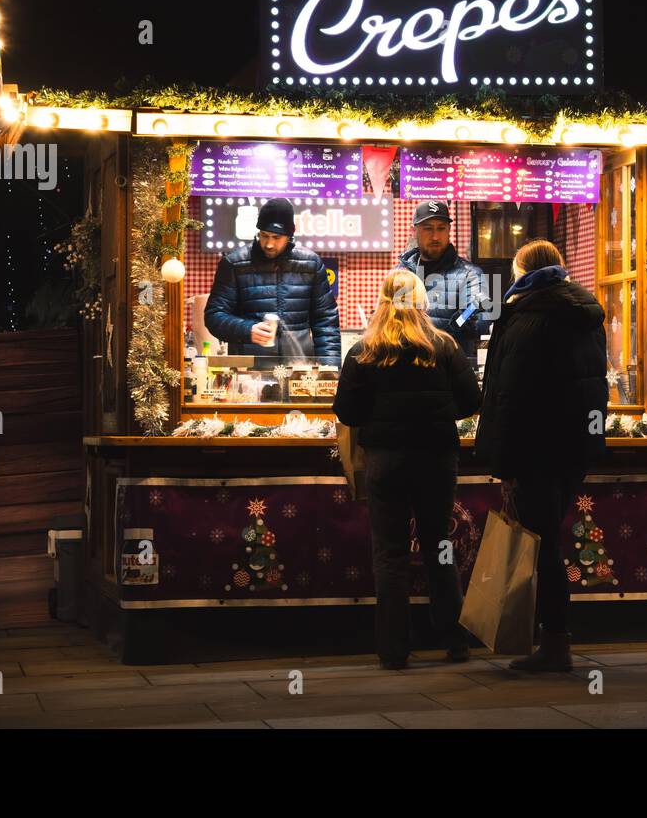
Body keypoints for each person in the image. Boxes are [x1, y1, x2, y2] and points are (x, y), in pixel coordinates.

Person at [333, 268, 481, 669]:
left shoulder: (364, 349)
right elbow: (472, 400)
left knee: (390, 553)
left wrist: (378, 416)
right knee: (440, 546)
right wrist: (437, 411)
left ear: (382, 300)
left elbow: (346, 410)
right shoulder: (443, 346)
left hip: (385, 460)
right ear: (421, 301)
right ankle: (455, 639)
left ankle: (394, 650)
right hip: (436, 457)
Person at [473, 240, 608, 672]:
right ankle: (553, 640)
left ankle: (553, 645)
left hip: (535, 450)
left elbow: (510, 397)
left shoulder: (528, 317)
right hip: (573, 448)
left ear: (523, 272)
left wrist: (503, 461)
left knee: (543, 545)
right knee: (549, 539)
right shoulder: (584, 312)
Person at [204, 197, 341, 365]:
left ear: (291, 234)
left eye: (276, 237)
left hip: (299, 368)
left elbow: (326, 322)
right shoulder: (234, 264)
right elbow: (214, 316)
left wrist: (330, 370)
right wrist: (248, 329)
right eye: (264, 235)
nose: (269, 244)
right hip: (247, 371)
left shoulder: (311, 264)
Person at [396, 201, 488, 363]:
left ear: (449, 230)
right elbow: (385, 320)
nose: (435, 236)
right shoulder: (400, 274)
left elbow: (481, 322)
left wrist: (461, 321)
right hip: (403, 369)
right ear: (415, 231)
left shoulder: (470, 275)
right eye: (428, 228)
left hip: (450, 370)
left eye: (441, 228)